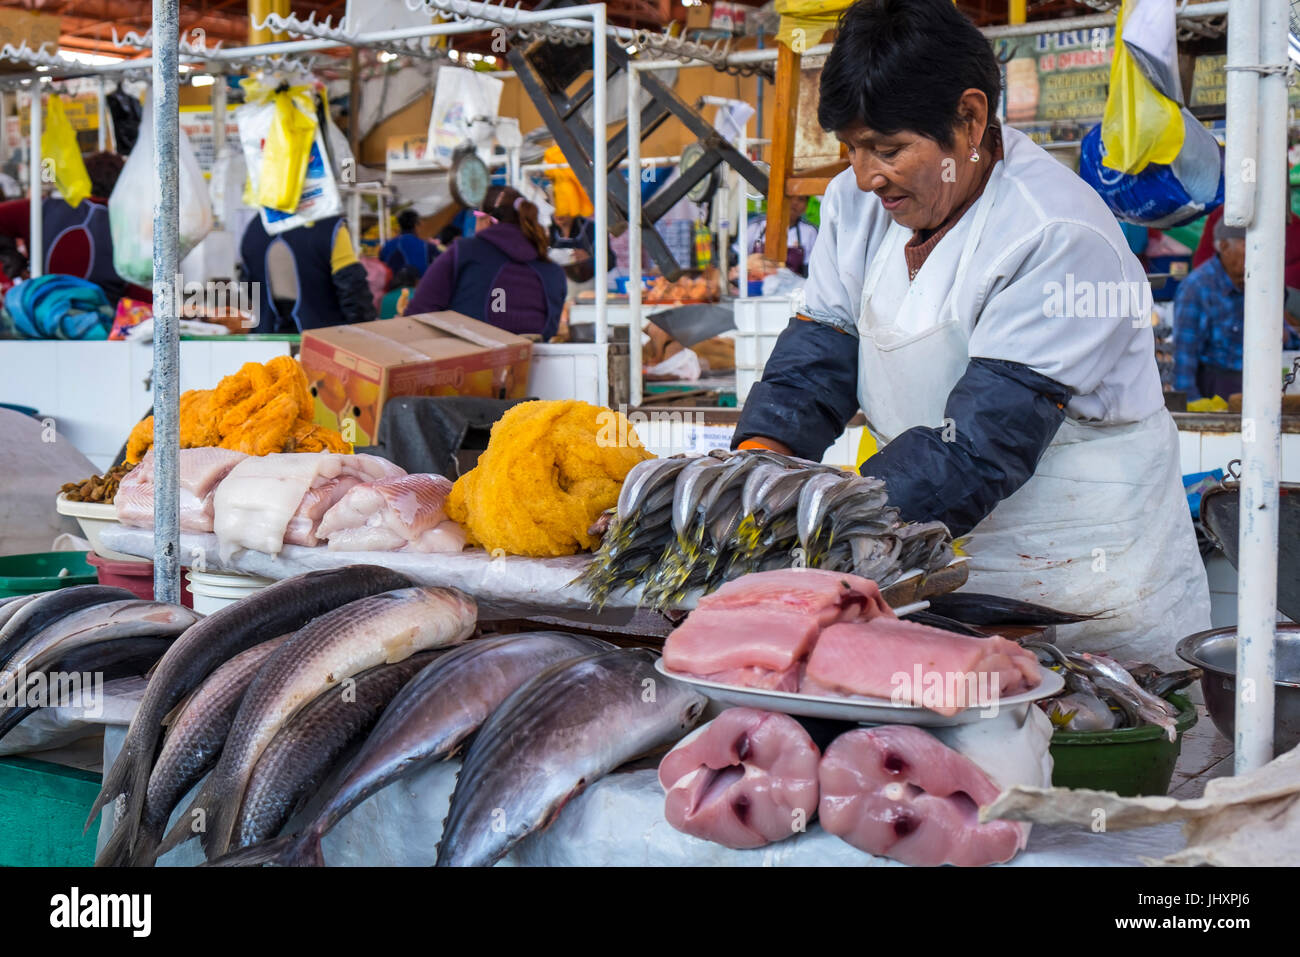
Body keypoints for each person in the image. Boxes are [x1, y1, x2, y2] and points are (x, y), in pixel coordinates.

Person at [732, 0, 1209, 665]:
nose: (867, 174)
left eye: (888, 148)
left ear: (970, 118)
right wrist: (748, 478)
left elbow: (979, 448)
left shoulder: (1053, 233)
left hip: (1089, 607)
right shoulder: (857, 204)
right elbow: (820, 360)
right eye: (852, 148)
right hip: (937, 583)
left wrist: (808, 532)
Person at [407, 185, 566, 340]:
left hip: (469, 363)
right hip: (533, 364)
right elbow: (550, 330)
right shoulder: (553, 271)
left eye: (476, 218)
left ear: (488, 221)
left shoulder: (464, 253)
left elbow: (416, 316)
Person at [0, 151, 148, 304]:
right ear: (124, 184)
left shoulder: (44, 209)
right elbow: (144, 290)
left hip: (47, 316)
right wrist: (14, 262)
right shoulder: (130, 223)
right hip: (110, 320)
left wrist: (16, 264)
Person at [1174, 220, 1300, 400]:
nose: (1258, 254)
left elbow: (1288, 337)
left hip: (1264, 387)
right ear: (1224, 247)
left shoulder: (1259, 281)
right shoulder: (1197, 287)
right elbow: (1184, 357)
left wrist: (1284, 335)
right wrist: (1194, 407)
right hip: (1218, 390)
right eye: (1249, 246)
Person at [239, 214, 377, 333]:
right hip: (324, 339)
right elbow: (353, 290)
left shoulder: (254, 227)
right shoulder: (329, 226)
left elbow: (248, 287)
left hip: (270, 337)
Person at [735, 194, 819, 277]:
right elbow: (737, 258)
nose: (794, 202)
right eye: (790, 197)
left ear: (806, 207)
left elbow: (810, 270)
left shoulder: (810, 232)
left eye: (801, 199)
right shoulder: (756, 226)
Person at [379, 208, 435, 274]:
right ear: (416, 225)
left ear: (399, 225)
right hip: (420, 283)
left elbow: (382, 265)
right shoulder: (427, 247)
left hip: (394, 283)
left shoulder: (387, 246)